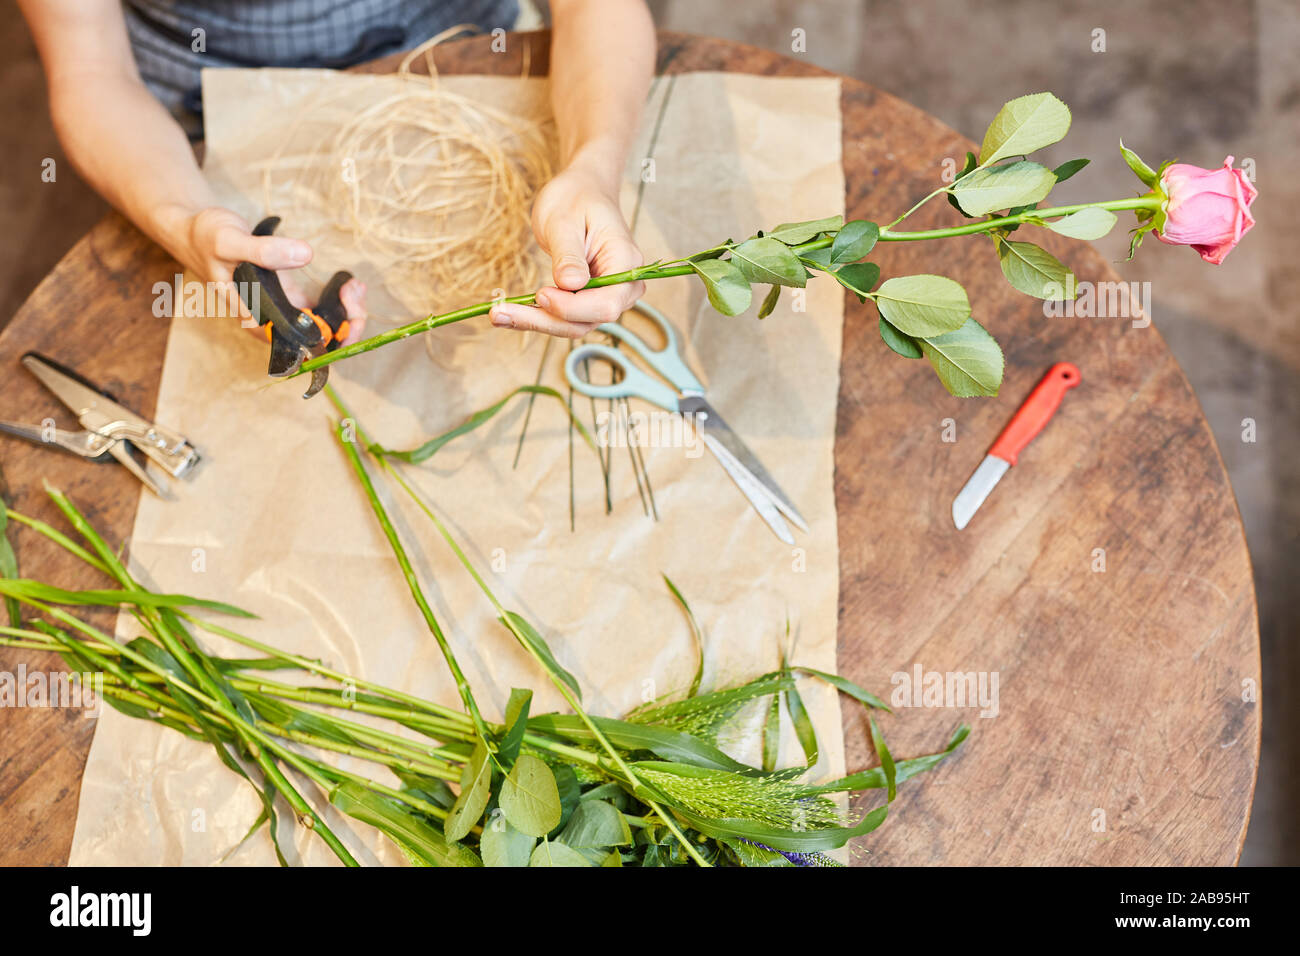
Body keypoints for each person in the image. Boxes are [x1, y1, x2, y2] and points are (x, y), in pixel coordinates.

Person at [18, 0, 655, 343]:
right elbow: (92, 72)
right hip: (204, 99)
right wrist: (183, 217)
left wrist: (592, 164)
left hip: (461, 54)